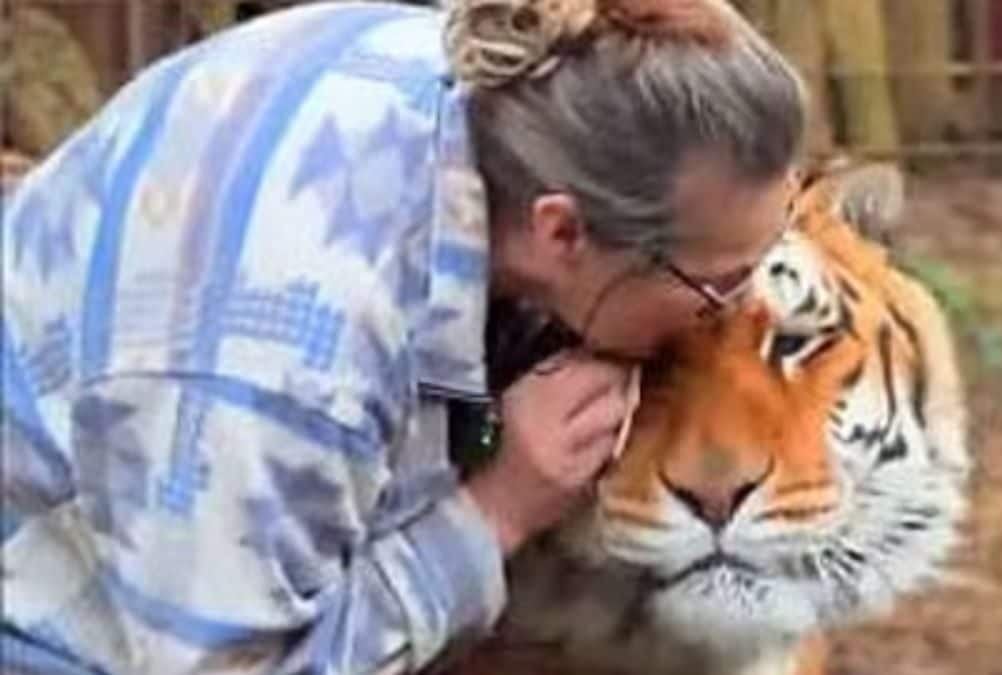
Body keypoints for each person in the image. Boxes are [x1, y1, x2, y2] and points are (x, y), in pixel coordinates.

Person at [0, 0, 804, 672]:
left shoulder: (508, 81)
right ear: (561, 232)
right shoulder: (292, 369)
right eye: (719, 284)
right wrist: (496, 512)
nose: (739, 313)